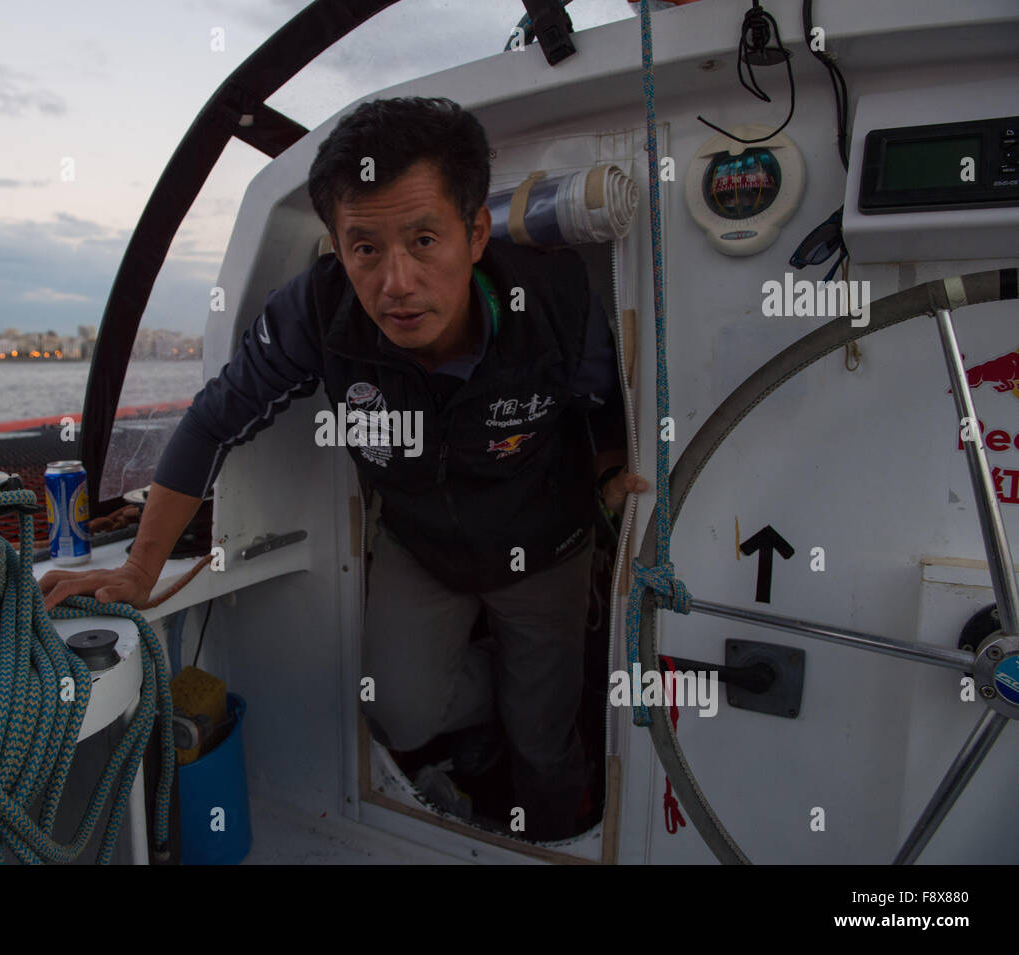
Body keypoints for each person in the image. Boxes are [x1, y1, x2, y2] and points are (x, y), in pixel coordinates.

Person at [40, 96, 649, 842]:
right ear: (336, 245)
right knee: (396, 707)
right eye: (365, 248)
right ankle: (491, 700)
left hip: (544, 545)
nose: (395, 281)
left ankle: (543, 792)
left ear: (476, 232)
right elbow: (212, 420)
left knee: (546, 743)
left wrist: (616, 477)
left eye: (424, 239)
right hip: (420, 541)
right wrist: (139, 569)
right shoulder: (318, 314)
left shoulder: (554, 301)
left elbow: (608, 406)